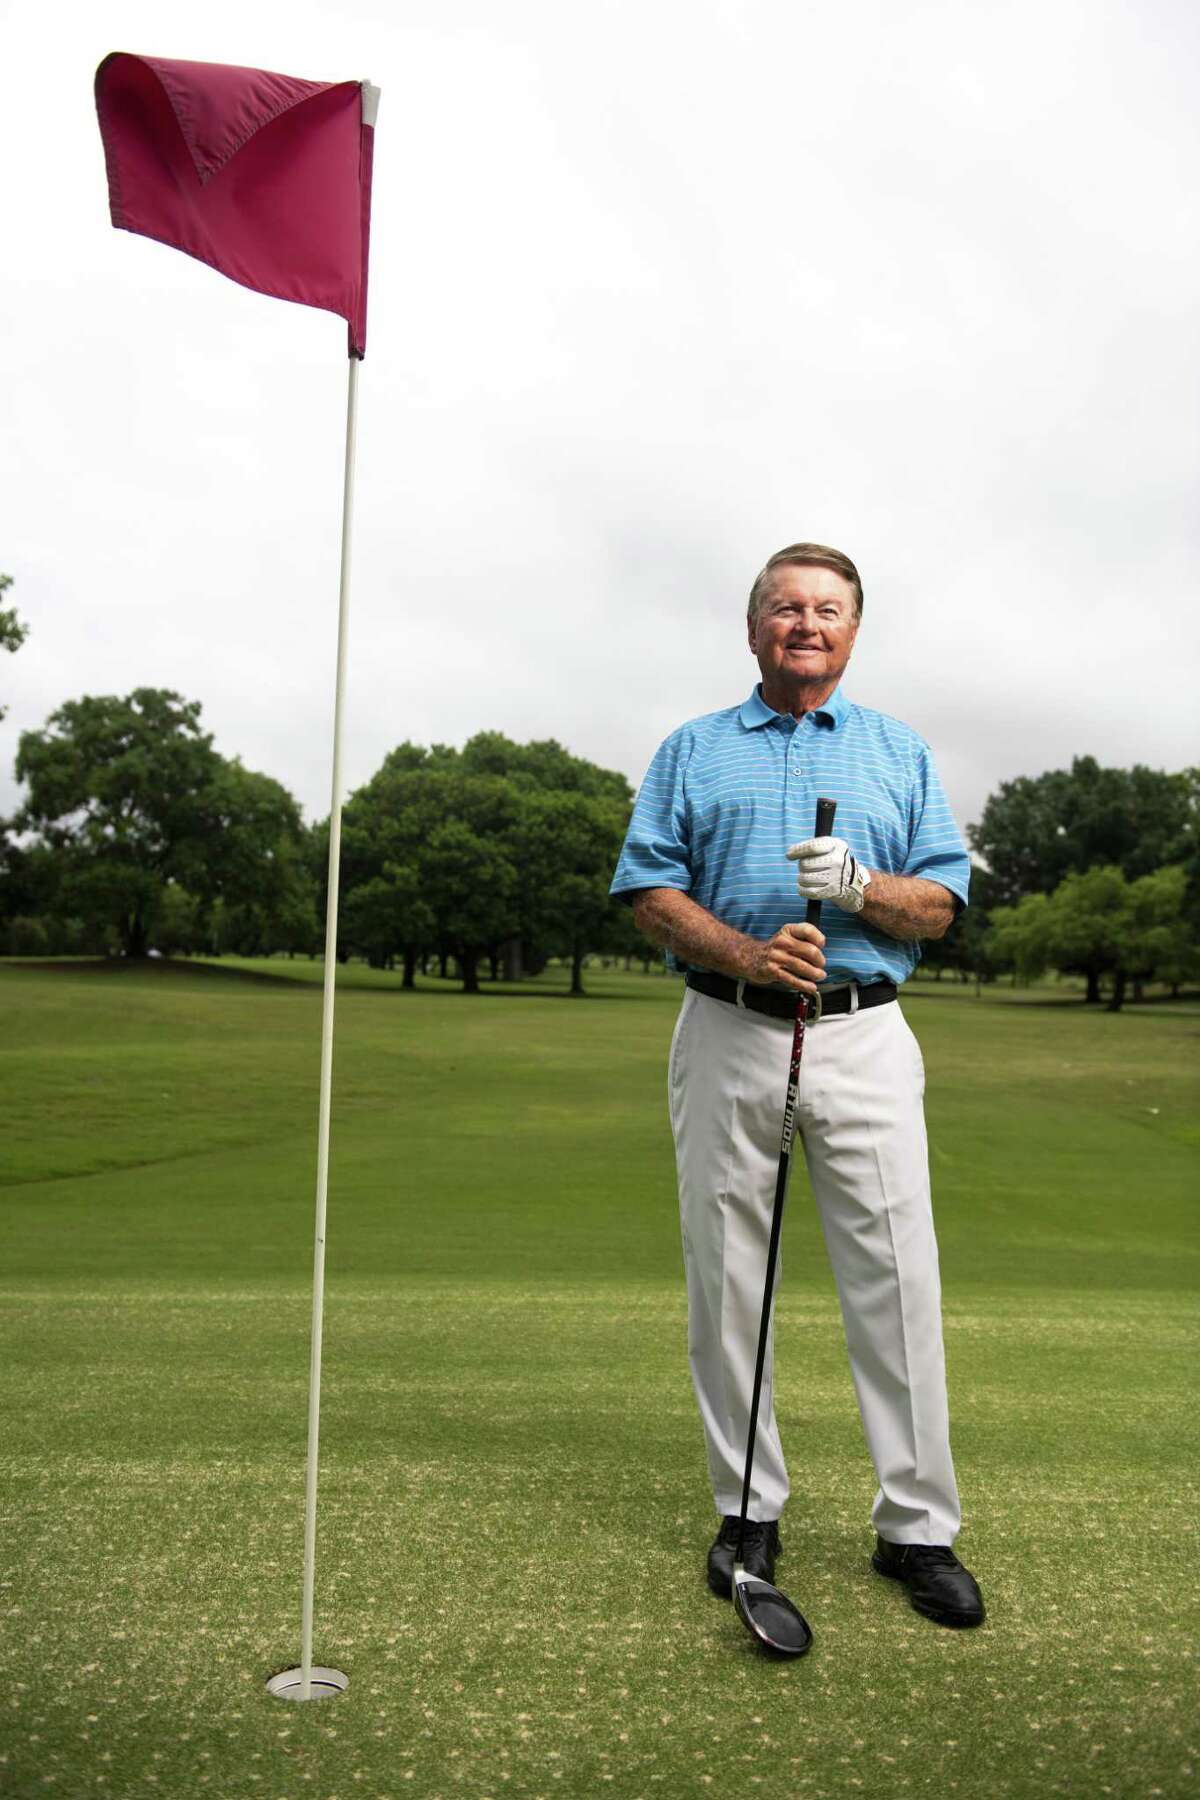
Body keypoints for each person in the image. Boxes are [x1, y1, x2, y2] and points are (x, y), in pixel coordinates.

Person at [610, 541, 985, 1630]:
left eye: (828, 609)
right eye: (785, 607)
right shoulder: (693, 749)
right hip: (730, 1028)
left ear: (854, 631)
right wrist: (744, 952)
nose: (806, 623)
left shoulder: (898, 751)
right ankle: (746, 1511)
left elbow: (943, 908)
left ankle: (916, 1528)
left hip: (864, 1035)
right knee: (730, 1277)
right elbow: (648, 888)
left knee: (897, 1283)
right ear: (754, 628)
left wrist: (866, 889)